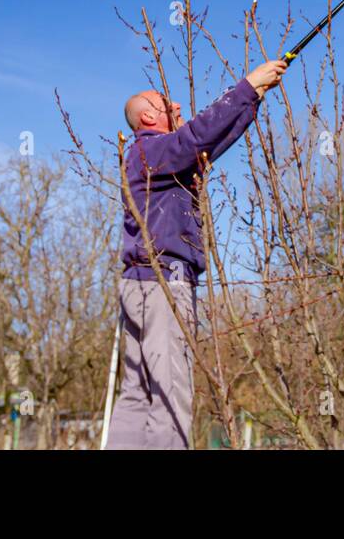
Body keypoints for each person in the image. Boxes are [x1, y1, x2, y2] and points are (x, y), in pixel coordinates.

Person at [105, 59, 287, 449]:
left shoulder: (154, 159)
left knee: (137, 393)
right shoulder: (152, 151)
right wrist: (247, 85)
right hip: (164, 283)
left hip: (139, 286)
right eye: (168, 103)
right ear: (149, 114)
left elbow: (206, 145)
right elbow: (195, 139)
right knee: (171, 392)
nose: (178, 109)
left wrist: (251, 98)